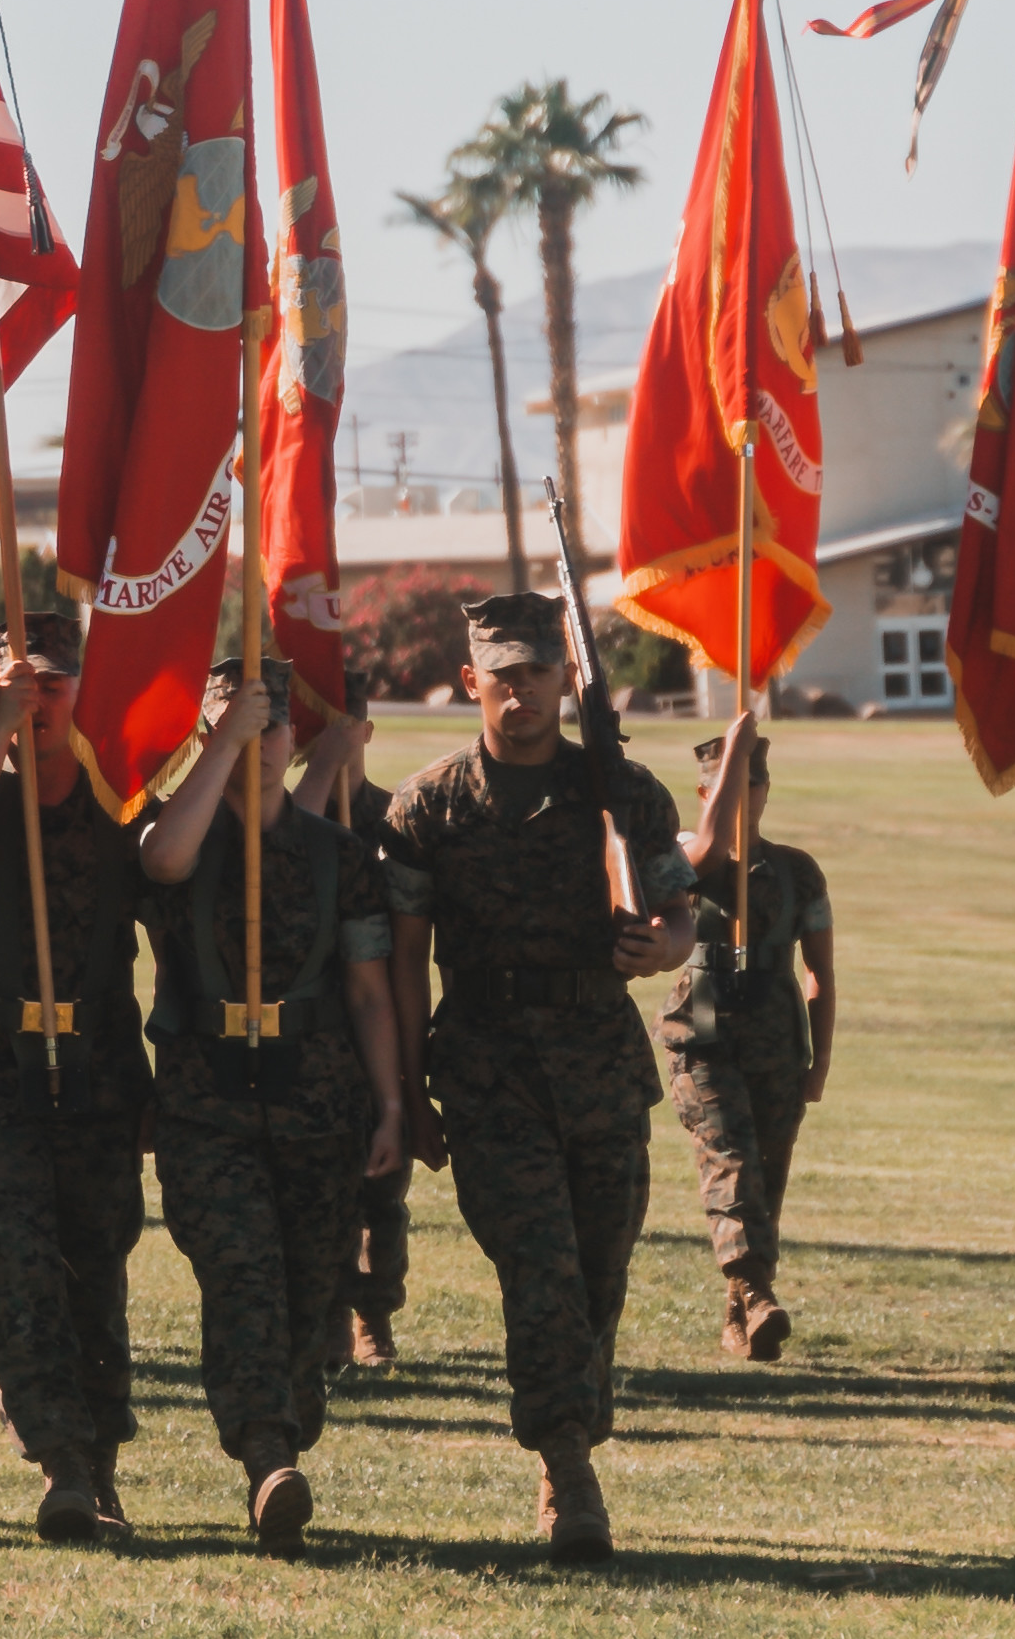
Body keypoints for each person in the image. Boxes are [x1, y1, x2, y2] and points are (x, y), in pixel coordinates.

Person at [383, 593, 696, 1565]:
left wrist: (662, 947)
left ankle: (571, 1429)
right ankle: (569, 1467)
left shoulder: (624, 790)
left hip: (601, 1063)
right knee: (541, 1271)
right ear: (469, 681)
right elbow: (404, 961)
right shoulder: (428, 806)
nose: (520, 693)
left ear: (566, 679)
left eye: (538, 673)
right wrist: (408, 1092)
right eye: (502, 676)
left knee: (600, 1272)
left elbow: (682, 914)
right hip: (487, 1071)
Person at [136, 660, 403, 1557]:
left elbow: (369, 992)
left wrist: (392, 1105)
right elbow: (162, 862)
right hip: (207, 1103)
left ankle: (284, 1418)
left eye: (270, 729)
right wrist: (222, 743)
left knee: (306, 1287)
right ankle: (267, 1456)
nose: (256, 744)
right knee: (240, 1273)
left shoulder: (338, 855)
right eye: (234, 727)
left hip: (317, 1105)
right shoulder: (179, 831)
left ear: (294, 740)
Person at [0, 615, 150, 1542]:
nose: (39, 701)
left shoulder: (119, 801)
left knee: (97, 1266)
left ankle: (102, 1456)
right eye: (22, 686)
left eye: (52, 684)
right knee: (22, 1266)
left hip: (99, 1074)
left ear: (83, 690)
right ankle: (62, 1463)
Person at [664, 716, 837, 1362]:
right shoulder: (685, 857)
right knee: (730, 1161)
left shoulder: (797, 872)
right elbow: (698, 859)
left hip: (776, 1038)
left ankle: (741, 1309)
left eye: (753, 782)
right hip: (703, 1032)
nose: (744, 794)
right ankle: (758, 1294)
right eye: (729, 784)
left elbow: (819, 972)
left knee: (766, 1177)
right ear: (704, 793)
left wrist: (819, 1062)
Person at [306, 700, 410, 1371]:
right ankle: (333, 1319)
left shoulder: (398, 819)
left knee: (382, 1193)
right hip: (315, 1032)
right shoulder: (293, 813)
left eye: (346, 725)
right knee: (323, 1190)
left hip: (382, 1023)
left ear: (368, 731)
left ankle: (376, 1314)